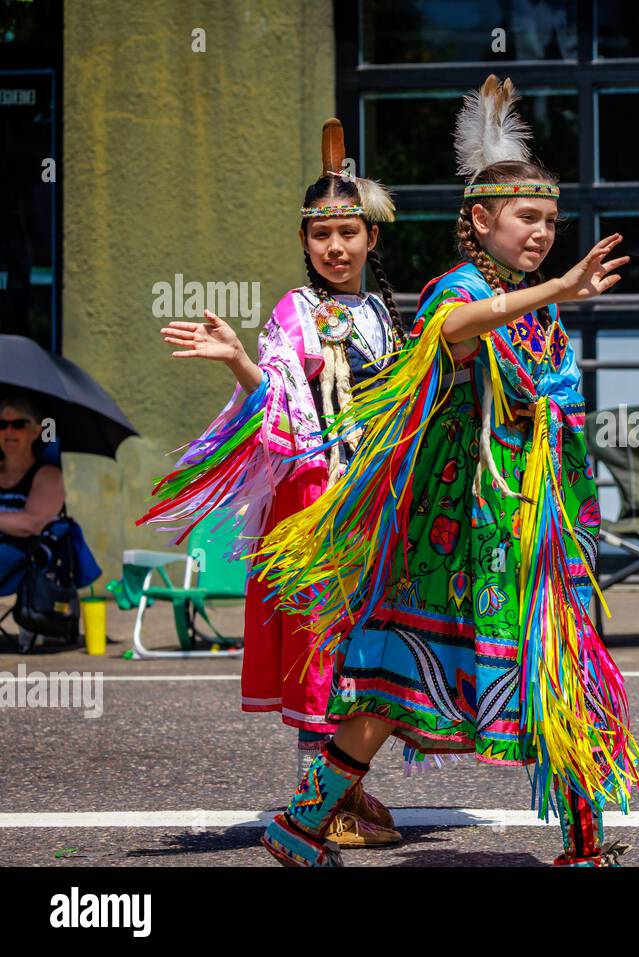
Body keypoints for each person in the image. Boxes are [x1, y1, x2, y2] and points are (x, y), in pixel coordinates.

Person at [251, 75, 639, 867]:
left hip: (526, 532)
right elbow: (451, 333)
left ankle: (585, 842)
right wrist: (553, 289)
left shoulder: (537, 301)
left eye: (551, 223)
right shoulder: (458, 294)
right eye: (527, 218)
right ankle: (298, 823)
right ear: (479, 219)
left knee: (557, 670)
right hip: (449, 539)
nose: (542, 234)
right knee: (393, 687)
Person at [138, 119, 402, 848]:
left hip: (376, 504)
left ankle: (347, 786)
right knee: (323, 650)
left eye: (350, 232)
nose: (337, 247)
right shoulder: (295, 312)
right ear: (304, 242)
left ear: (370, 239)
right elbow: (280, 402)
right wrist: (236, 362)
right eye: (323, 236)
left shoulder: (383, 312)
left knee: (370, 650)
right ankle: (319, 801)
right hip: (320, 504)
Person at [0, 395, 66, 595]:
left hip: (26, 559)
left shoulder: (48, 475)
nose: (9, 431)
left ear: (36, 432)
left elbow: (32, 523)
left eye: (19, 424)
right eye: (2, 424)